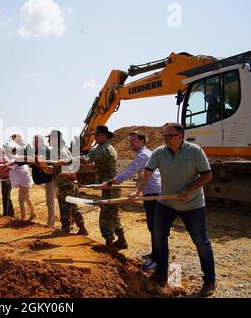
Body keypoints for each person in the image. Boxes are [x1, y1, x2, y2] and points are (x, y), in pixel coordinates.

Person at [129, 122, 216, 297]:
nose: (166, 139)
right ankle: (161, 272)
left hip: (193, 204)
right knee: (158, 235)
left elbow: (207, 176)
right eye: (164, 136)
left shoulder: (195, 151)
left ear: (181, 136)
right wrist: (137, 190)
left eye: (170, 136)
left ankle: (209, 280)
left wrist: (188, 190)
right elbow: (146, 173)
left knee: (200, 241)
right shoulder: (159, 152)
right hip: (166, 202)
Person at [101, 131, 161, 269]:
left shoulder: (143, 155)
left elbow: (130, 171)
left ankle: (157, 261)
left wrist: (111, 182)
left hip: (154, 193)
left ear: (142, 141)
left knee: (155, 228)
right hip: (151, 191)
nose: (131, 144)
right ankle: (155, 254)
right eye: (129, 141)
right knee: (153, 227)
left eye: (134, 141)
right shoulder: (145, 153)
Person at [87, 126, 125, 249]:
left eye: (97, 135)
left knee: (106, 214)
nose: (95, 137)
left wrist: (67, 161)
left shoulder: (104, 149)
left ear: (104, 135)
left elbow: (87, 158)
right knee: (112, 213)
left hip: (110, 185)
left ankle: (109, 244)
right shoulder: (104, 148)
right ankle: (121, 240)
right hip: (109, 185)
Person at [49, 130, 88, 235]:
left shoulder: (58, 151)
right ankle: (81, 228)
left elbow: (66, 167)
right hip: (70, 182)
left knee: (65, 207)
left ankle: (66, 228)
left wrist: (60, 174)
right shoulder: (65, 149)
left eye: (50, 138)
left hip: (65, 184)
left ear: (56, 139)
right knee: (73, 207)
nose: (48, 140)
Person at [7, 146, 36, 221]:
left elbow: (7, 169)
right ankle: (33, 213)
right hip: (27, 181)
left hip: (24, 182)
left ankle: (23, 217)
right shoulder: (19, 158)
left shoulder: (15, 159)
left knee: (21, 200)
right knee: (27, 198)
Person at [31, 135, 55, 227]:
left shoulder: (41, 150)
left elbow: (40, 161)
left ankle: (50, 223)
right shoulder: (43, 149)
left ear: (40, 141)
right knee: (52, 200)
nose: (33, 143)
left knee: (50, 201)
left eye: (35, 141)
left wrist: (33, 161)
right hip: (49, 177)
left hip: (50, 178)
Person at [0, 146, 15, 217]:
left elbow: (8, 168)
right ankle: (10, 213)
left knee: (6, 196)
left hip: (7, 179)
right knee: (6, 196)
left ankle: (7, 214)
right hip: (5, 179)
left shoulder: (4, 159)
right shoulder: (1, 159)